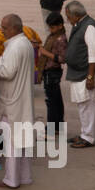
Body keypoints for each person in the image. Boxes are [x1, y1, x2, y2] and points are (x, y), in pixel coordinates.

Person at [0, 14, 35, 190]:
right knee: (21, 141)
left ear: (14, 28)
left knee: (12, 142)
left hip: (12, 102)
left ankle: (11, 179)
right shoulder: (25, 44)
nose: (2, 31)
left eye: (4, 28)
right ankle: (24, 176)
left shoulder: (16, 46)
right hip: (20, 99)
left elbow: (7, 72)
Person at [63, 0, 95, 148]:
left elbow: (94, 55)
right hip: (78, 72)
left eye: (68, 16)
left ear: (76, 15)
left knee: (88, 105)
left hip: (86, 73)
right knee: (82, 104)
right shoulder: (80, 25)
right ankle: (84, 133)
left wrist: (90, 77)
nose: (68, 20)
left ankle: (88, 137)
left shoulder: (89, 28)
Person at [37, 11, 67, 139]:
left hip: (52, 72)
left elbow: (63, 58)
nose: (51, 29)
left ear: (60, 25)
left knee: (52, 101)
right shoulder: (53, 36)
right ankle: (57, 127)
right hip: (50, 72)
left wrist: (45, 53)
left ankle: (51, 129)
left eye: (53, 27)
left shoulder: (60, 39)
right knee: (56, 100)